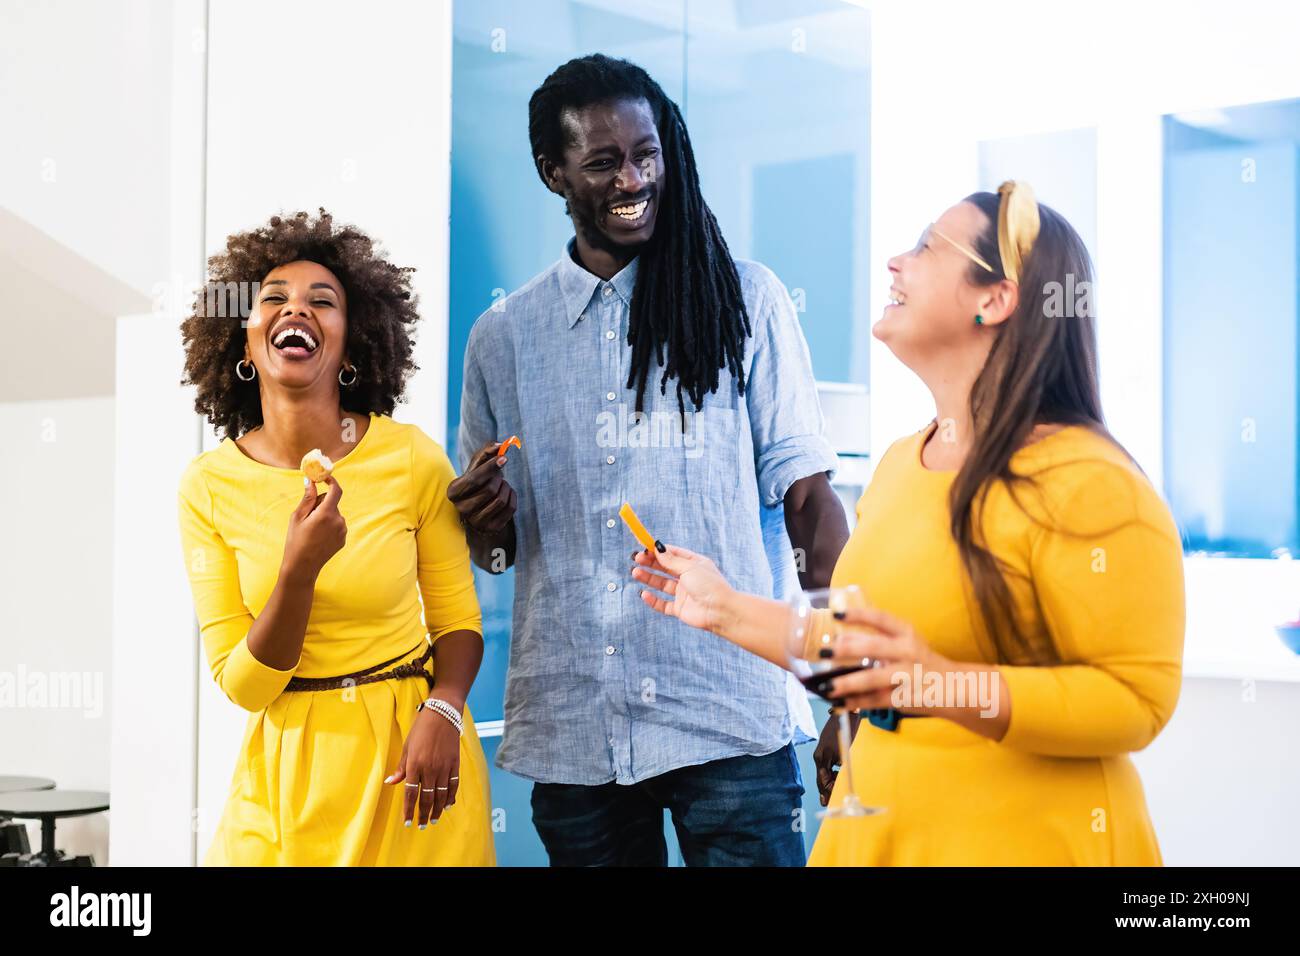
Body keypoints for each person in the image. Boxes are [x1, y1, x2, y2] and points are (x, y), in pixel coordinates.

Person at [632, 182, 1186, 865]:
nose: (896, 261)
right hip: (885, 831)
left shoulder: (1089, 482)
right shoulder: (903, 463)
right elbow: (863, 654)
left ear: (995, 297)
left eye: (926, 246)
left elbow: (1135, 700)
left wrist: (938, 683)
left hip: (1027, 842)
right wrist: (720, 606)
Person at [448, 54, 849, 866]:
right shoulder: (503, 339)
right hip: (575, 734)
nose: (634, 177)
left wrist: (845, 686)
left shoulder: (745, 300)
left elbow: (809, 504)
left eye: (648, 153)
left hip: (729, 715)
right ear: (552, 173)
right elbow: (495, 556)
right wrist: (484, 524)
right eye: (603, 161)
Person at [177, 210, 495, 865]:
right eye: (275, 299)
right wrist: (299, 570)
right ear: (243, 343)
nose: (298, 309)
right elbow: (245, 687)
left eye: (324, 301)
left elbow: (458, 621)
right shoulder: (206, 487)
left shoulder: (411, 459)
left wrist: (445, 709)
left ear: (350, 346)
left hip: (416, 761)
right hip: (289, 771)